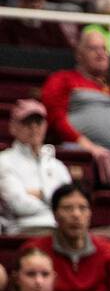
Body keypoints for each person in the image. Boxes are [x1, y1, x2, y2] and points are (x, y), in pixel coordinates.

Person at [40, 28, 110, 178]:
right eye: (93, 48)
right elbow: (55, 117)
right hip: (77, 148)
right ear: (79, 54)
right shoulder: (62, 79)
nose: (101, 53)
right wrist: (87, 145)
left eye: (104, 48)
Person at [0, 99, 70, 236]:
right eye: (27, 123)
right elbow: (20, 205)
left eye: (38, 122)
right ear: (13, 127)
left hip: (58, 230)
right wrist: (54, 201)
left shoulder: (57, 165)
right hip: (23, 229)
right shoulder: (3, 161)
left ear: (45, 126)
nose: (34, 128)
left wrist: (41, 193)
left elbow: (69, 202)